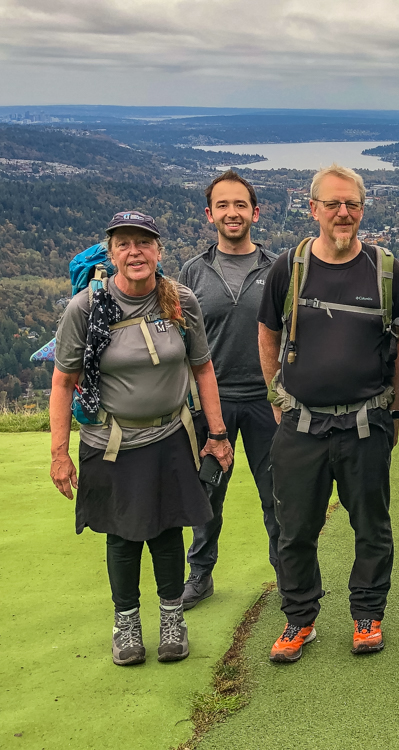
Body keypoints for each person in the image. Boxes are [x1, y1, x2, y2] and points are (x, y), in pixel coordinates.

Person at [49, 211, 233, 666]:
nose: (135, 252)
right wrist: (59, 453)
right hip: (108, 441)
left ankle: (173, 618)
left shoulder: (179, 302)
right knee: (123, 536)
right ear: (111, 253)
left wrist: (218, 434)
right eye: (125, 244)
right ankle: (126, 623)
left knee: (169, 529)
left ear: (158, 251)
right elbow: (62, 380)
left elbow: (202, 368)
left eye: (144, 243)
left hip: (171, 435)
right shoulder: (86, 309)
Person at [258, 164, 399, 663]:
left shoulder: (386, 270)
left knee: (371, 525)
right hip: (301, 424)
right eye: (333, 204)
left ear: (362, 209)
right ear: (314, 209)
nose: (343, 213)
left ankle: (367, 615)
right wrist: (276, 395)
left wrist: (393, 411)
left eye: (352, 204)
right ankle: (299, 619)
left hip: (365, 422)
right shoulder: (289, 266)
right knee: (295, 527)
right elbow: (268, 333)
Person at [177, 170, 280, 609]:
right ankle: (200, 575)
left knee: (278, 498)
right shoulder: (191, 273)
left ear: (255, 212)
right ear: (209, 214)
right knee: (207, 496)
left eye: (240, 204)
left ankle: (289, 575)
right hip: (211, 406)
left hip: (266, 403)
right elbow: (179, 343)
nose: (232, 212)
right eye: (223, 205)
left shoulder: (277, 269)